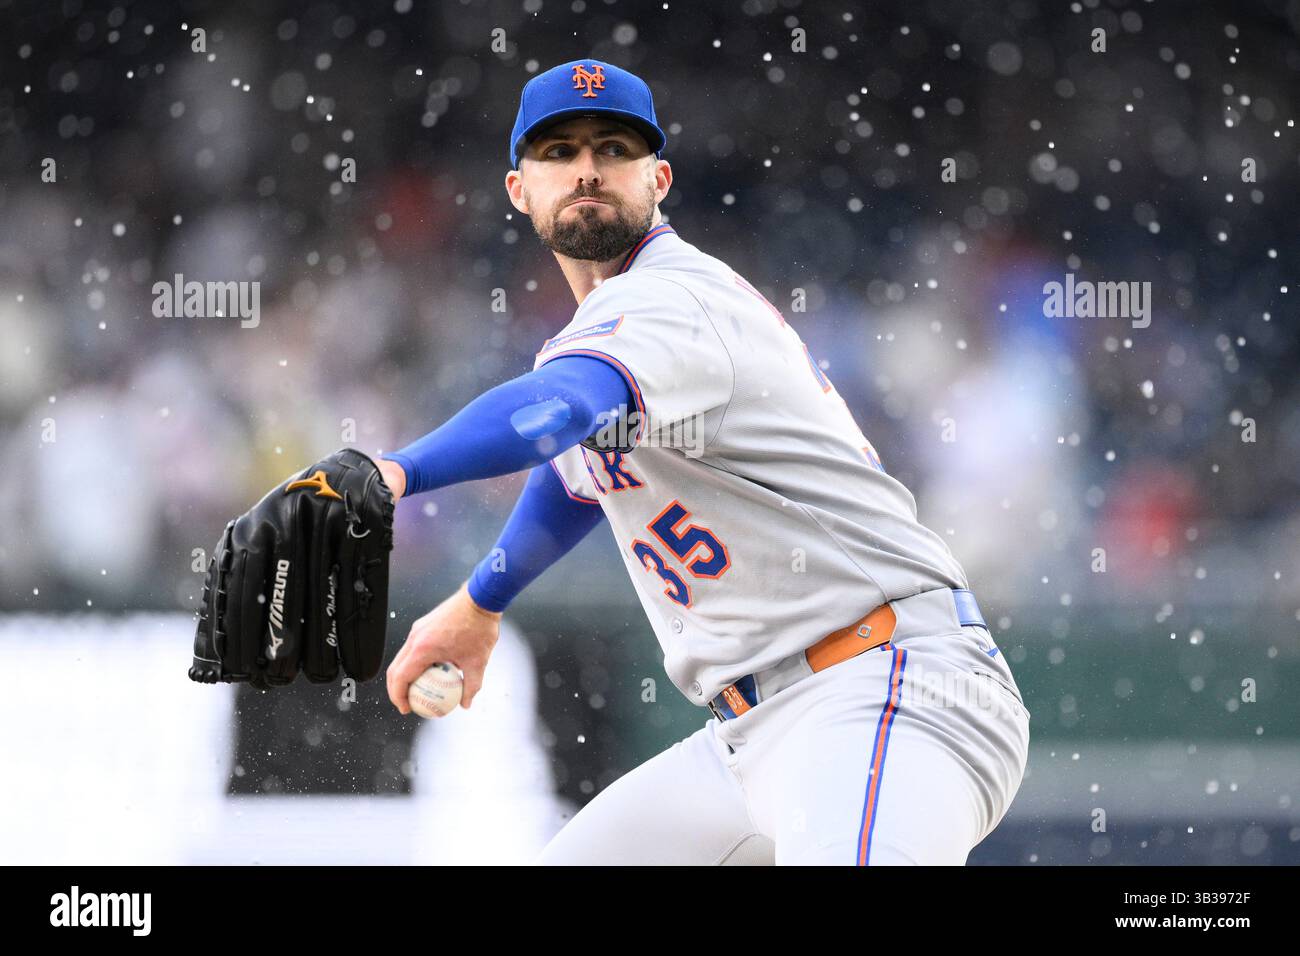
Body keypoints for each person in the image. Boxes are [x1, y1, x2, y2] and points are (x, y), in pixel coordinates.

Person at [380, 58, 1030, 865]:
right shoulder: (611, 334)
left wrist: (392, 473)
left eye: (613, 148)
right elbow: (582, 469)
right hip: (752, 736)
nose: (587, 168)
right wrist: (482, 600)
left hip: (883, 688)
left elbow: (560, 412)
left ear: (658, 179)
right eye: (558, 151)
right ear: (519, 188)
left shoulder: (670, 297)